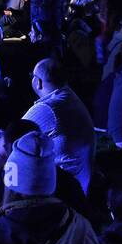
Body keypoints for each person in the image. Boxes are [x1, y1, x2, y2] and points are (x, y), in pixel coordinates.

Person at [21, 57, 95, 194]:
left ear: (38, 82)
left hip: (65, 193)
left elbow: (14, 138)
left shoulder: (47, 108)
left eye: (32, 76)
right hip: (82, 185)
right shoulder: (68, 95)